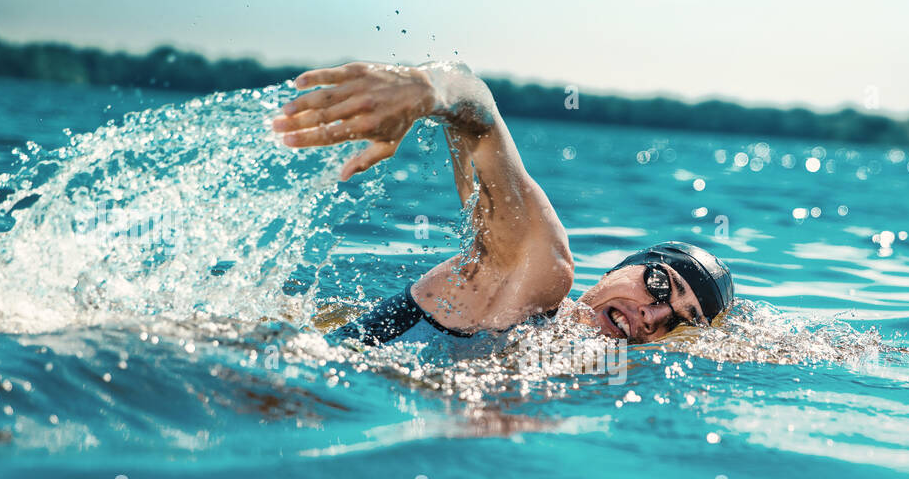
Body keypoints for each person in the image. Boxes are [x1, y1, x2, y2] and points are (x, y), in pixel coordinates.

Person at [271, 60, 734, 352]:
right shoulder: (538, 278)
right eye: (659, 285)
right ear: (621, 267)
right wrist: (428, 92)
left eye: (677, 321)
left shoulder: (567, 352)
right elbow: (478, 111)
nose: (653, 316)